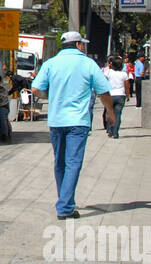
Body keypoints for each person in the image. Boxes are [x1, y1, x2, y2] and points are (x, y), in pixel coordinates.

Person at [32, 32, 115, 220]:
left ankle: (65, 201)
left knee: (59, 162)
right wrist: (110, 111)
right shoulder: (88, 64)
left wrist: (51, 97)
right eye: (82, 44)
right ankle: (65, 207)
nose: (83, 47)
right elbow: (103, 91)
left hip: (56, 121)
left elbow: (36, 88)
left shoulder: (51, 63)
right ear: (78, 44)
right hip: (78, 122)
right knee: (73, 163)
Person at [101, 56, 129, 139]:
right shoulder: (124, 74)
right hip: (120, 95)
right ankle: (115, 132)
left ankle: (109, 130)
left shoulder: (108, 72)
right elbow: (127, 86)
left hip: (110, 95)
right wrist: (127, 95)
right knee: (118, 114)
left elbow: (103, 82)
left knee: (109, 113)